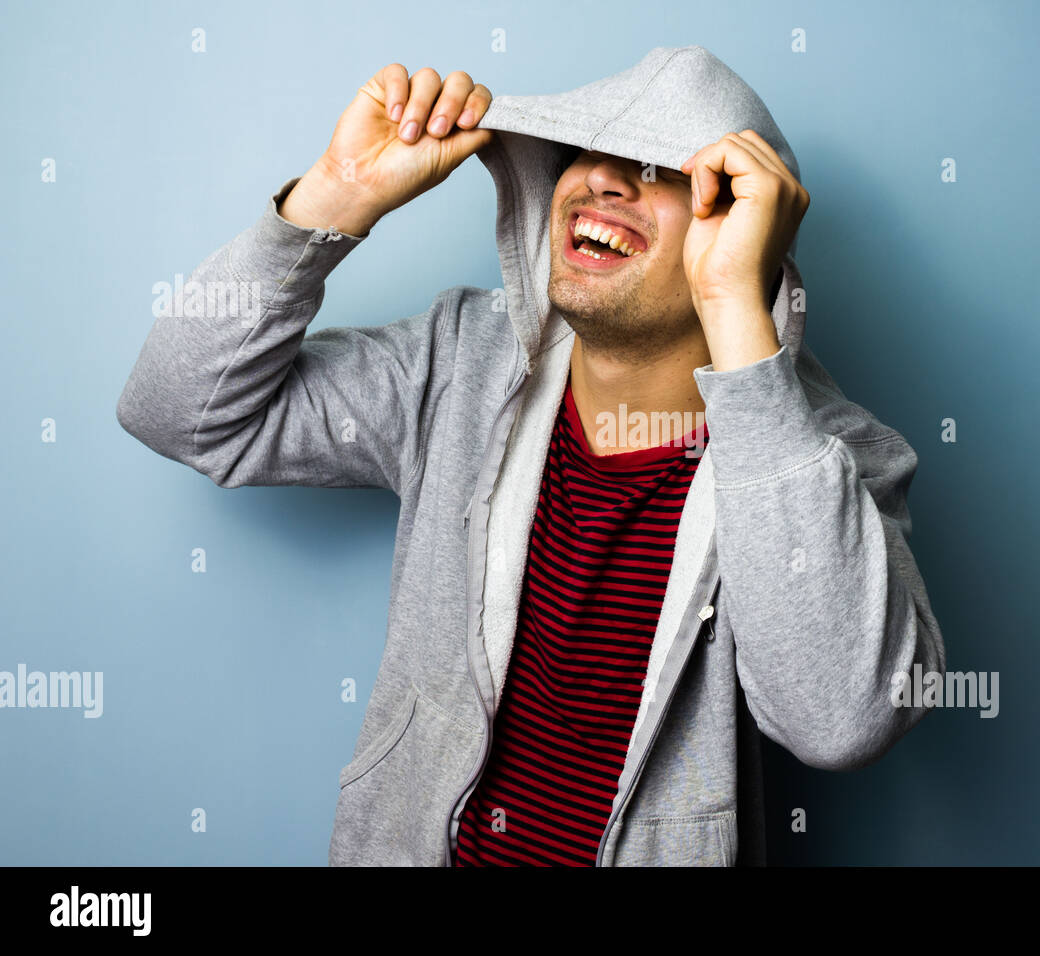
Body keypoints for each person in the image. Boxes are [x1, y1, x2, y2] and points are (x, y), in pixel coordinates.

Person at [116, 45, 946, 867]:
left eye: (666, 171)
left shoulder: (828, 458)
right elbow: (178, 410)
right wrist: (335, 198)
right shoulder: (458, 363)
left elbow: (841, 721)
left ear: (743, 232)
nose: (605, 179)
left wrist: (736, 303)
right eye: (590, 150)